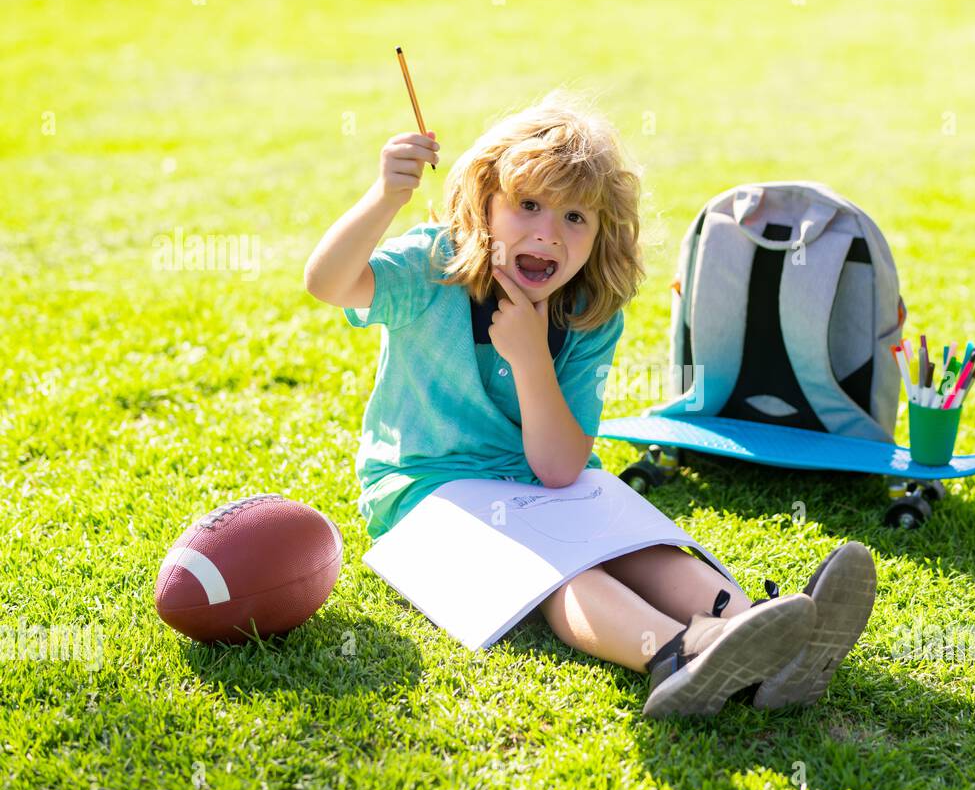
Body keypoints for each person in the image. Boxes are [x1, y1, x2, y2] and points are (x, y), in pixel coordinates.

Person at [304, 90, 877, 717]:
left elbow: (558, 466)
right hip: (422, 494)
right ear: (483, 202)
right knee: (563, 572)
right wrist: (386, 196)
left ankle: (762, 632)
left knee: (643, 551)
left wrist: (532, 359)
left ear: (602, 232)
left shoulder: (585, 310)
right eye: (528, 206)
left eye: (576, 218)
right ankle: (678, 655)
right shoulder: (429, 266)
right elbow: (327, 283)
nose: (548, 233)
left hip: (541, 482)